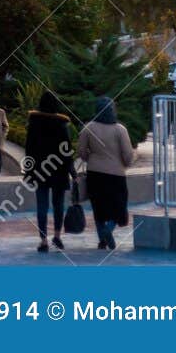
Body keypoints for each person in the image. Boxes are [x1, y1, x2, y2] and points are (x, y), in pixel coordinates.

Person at [77, 96, 136, 250]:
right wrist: (126, 164)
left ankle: (102, 239)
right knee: (118, 207)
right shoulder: (120, 129)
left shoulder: (88, 128)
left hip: (95, 173)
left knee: (99, 208)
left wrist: (91, 158)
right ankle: (107, 230)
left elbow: (81, 152)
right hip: (116, 174)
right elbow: (128, 155)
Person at [23, 90, 74, 253]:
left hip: (40, 170)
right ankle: (57, 236)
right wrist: (72, 171)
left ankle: (43, 240)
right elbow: (67, 150)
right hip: (59, 170)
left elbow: (29, 150)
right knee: (58, 204)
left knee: (42, 205)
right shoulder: (61, 124)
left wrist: (28, 171)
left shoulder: (34, 123)